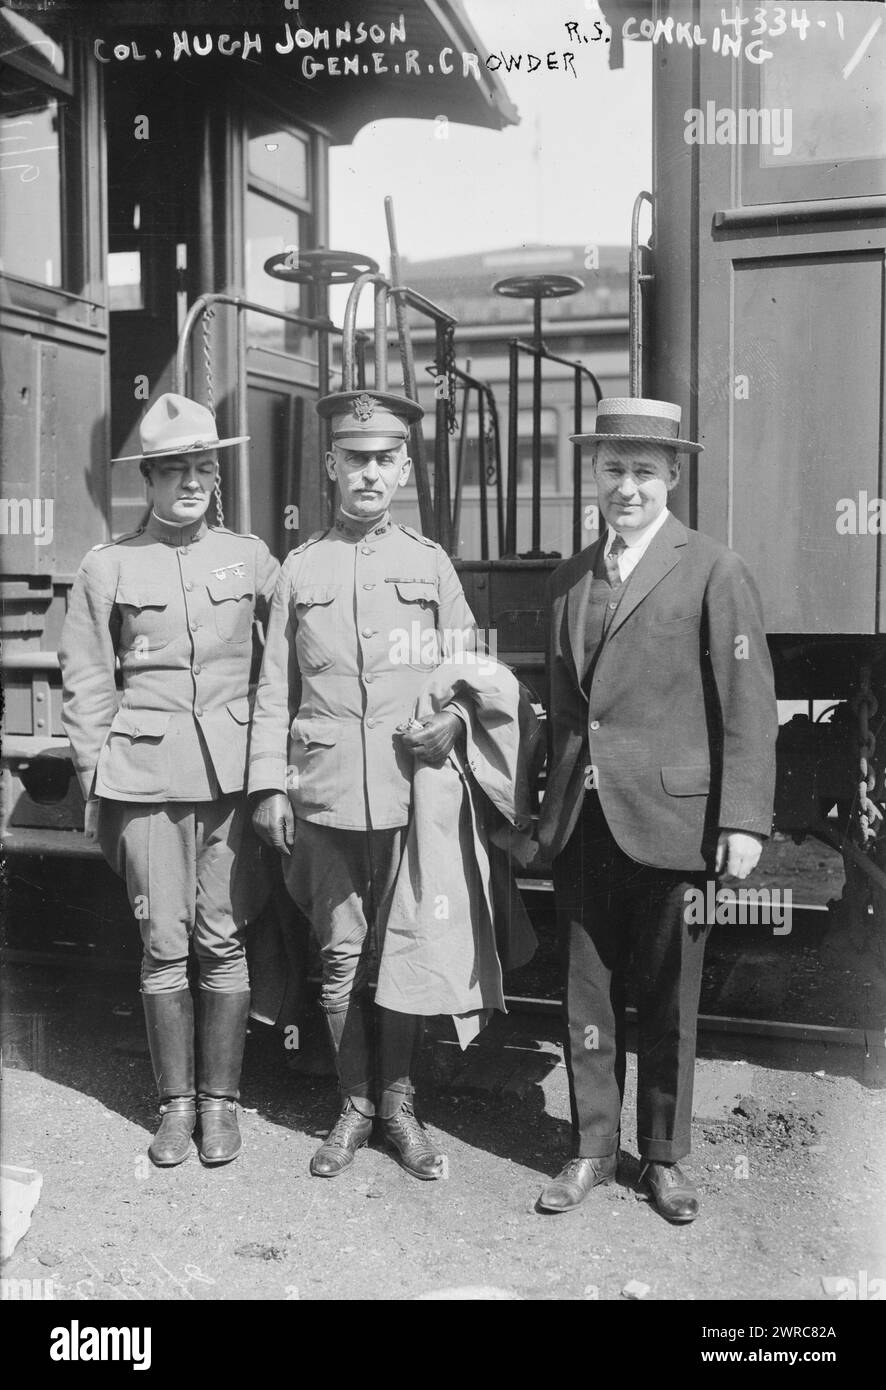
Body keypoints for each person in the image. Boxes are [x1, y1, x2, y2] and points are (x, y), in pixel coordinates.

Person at [537, 397, 777, 1222]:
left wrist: (743, 820)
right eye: (613, 469)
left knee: (671, 999)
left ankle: (664, 1160)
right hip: (586, 824)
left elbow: (747, 701)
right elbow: (568, 712)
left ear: (672, 475)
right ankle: (593, 1149)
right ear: (594, 474)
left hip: (678, 824)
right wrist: (543, 815)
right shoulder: (570, 578)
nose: (627, 486)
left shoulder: (713, 567)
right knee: (587, 999)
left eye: (643, 470)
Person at [249, 388, 476, 1181]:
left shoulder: (430, 565)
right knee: (340, 955)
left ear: (404, 467)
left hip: (412, 798)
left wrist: (455, 721)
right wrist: (269, 789)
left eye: (385, 459)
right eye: (356, 460)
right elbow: (271, 690)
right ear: (331, 468)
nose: (370, 473)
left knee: (404, 954)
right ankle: (355, 1105)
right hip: (323, 794)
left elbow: (469, 675)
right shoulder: (299, 570)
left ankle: (402, 1110)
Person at [59, 393, 279, 1168]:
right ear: (147, 480)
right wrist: (99, 779)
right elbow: (86, 680)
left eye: (203, 468)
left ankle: (221, 1104)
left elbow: (289, 654)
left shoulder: (251, 558)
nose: (192, 482)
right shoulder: (109, 565)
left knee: (223, 938)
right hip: (145, 781)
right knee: (162, 945)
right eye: (175, 470)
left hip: (228, 779)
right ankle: (176, 1107)